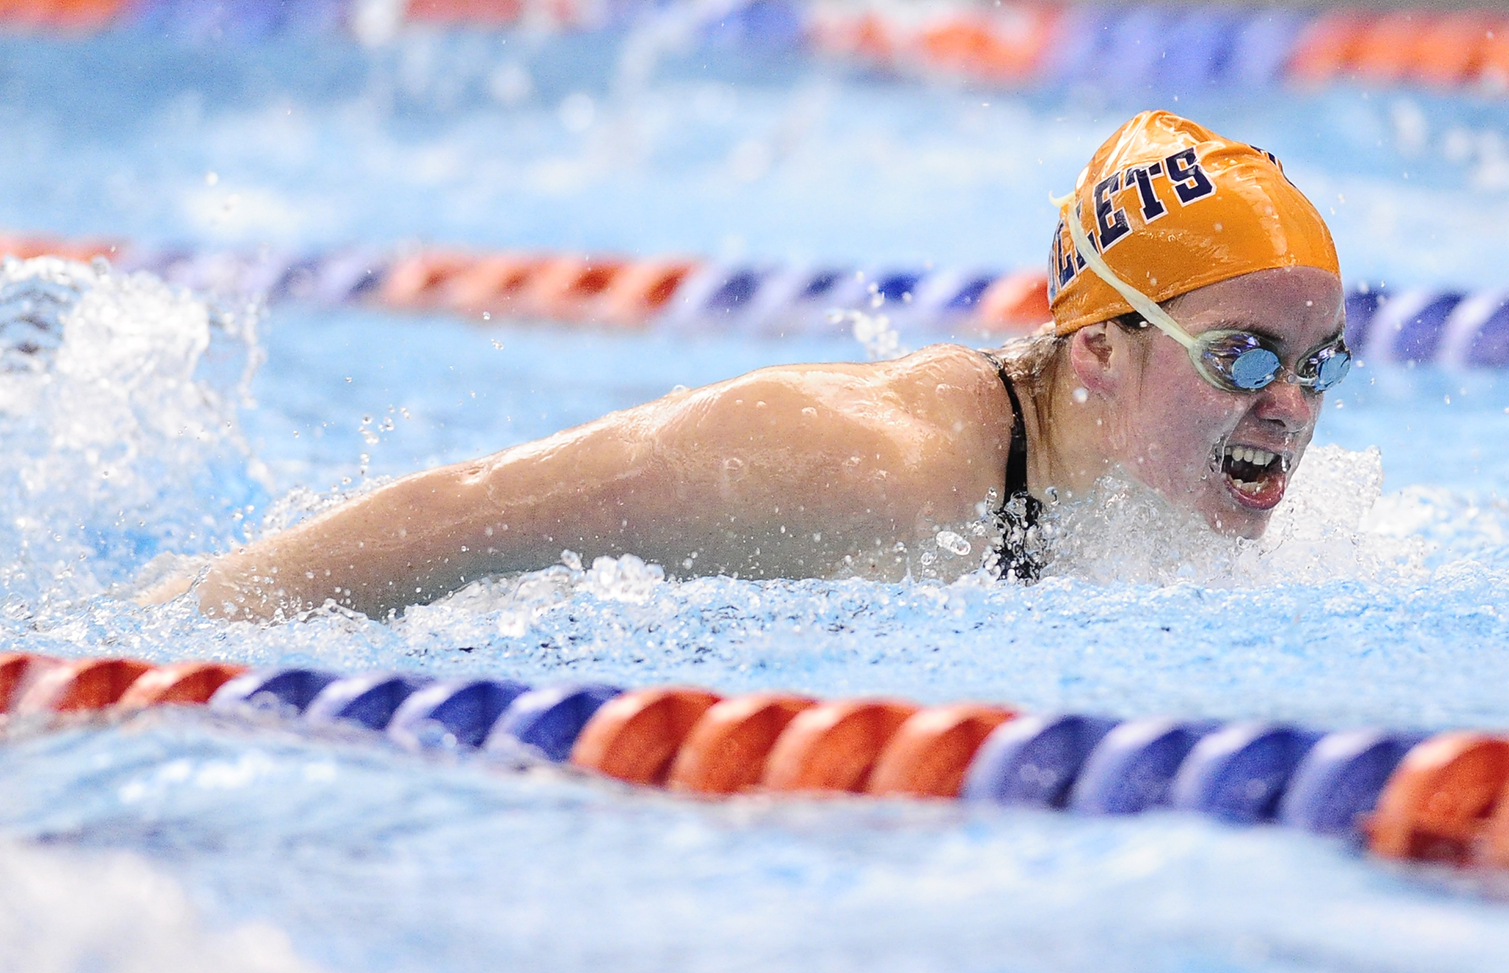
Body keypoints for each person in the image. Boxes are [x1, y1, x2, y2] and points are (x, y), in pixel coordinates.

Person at [176, 110, 1351, 621]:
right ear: (1097, 350)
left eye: (1318, 364)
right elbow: (474, 511)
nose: (1290, 407)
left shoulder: (1165, 494)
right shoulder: (848, 462)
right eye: (1245, 357)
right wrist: (162, 639)